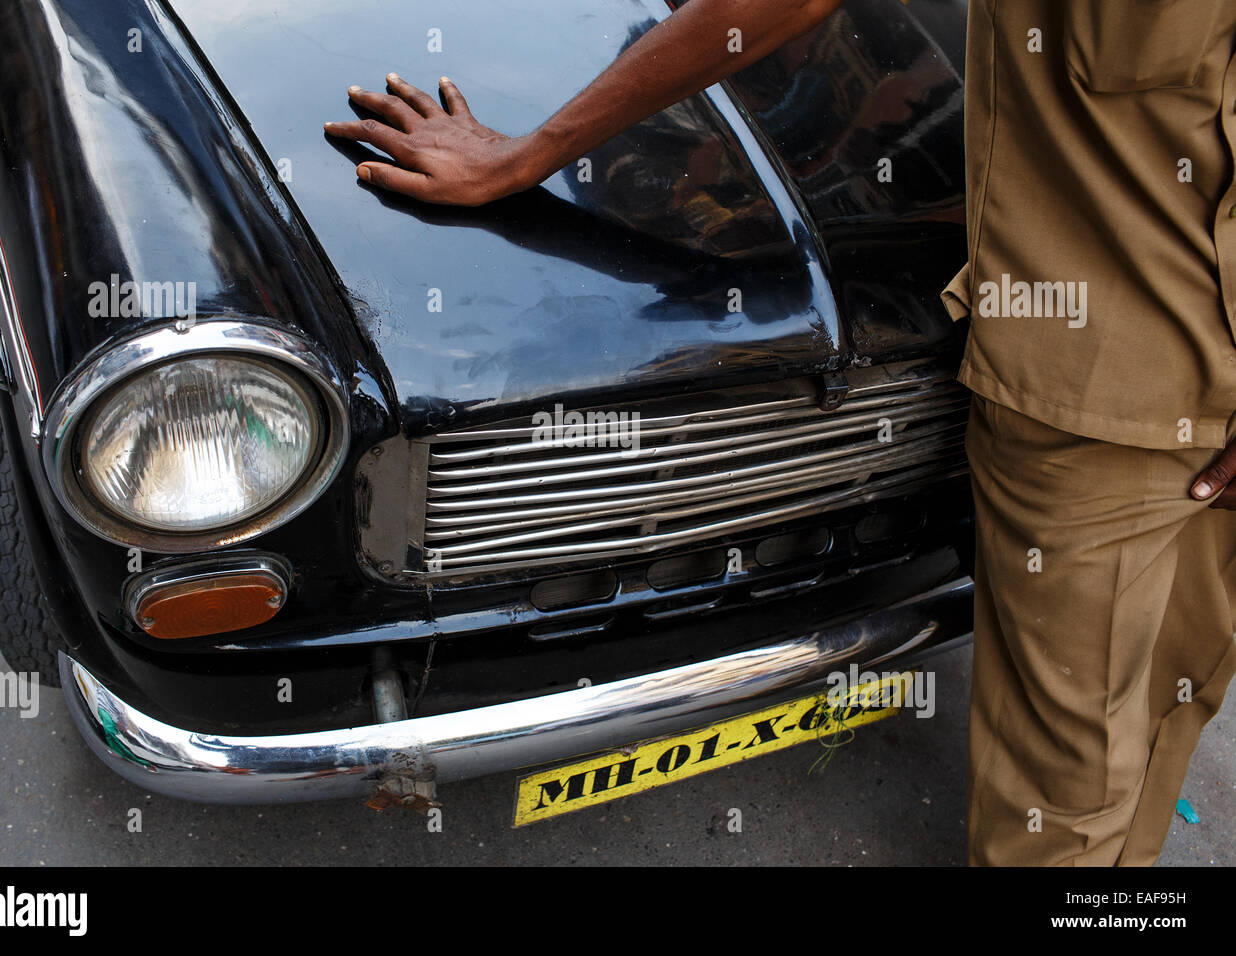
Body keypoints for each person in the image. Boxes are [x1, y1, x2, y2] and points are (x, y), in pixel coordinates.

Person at [324, 0, 1236, 865]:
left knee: (1096, 772)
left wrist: (530, 155)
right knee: (1147, 722)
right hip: (1139, 383)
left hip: (1112, 402)